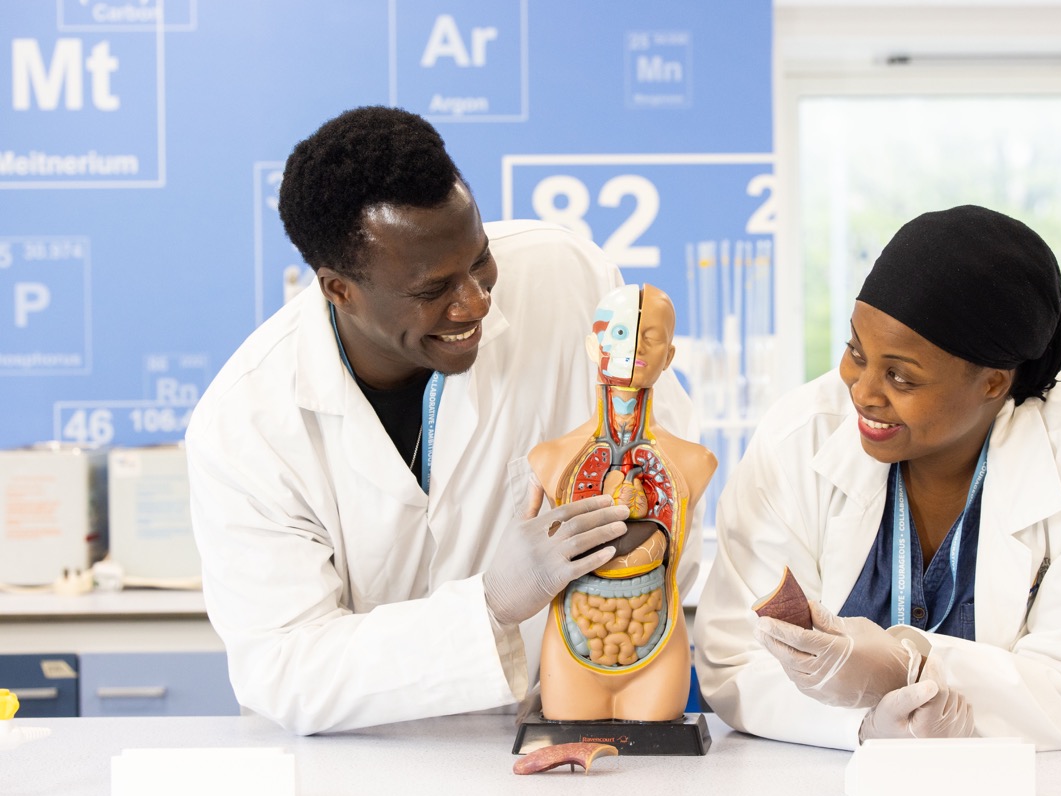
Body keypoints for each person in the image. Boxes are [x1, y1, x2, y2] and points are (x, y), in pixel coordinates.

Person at [185, 106, 698, 735]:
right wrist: (492, 604)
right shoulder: (249, 422)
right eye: (433, 292)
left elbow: (671, 468)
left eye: (479, 261)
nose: (477, 302)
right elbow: (287, 667)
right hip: (362, 759)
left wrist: (607, 636)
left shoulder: (568, 279)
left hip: (559, 723)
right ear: (338, 288)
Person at [692, 204, 1061, 751]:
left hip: (1042, 787)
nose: (863, 391)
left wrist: (908, 667)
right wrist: (865, 726)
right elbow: (739, 659)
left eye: (900, 375)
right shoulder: (800, 436)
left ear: (992, 383)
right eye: (856, 351)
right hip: (824, 780)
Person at [528, 283, 717, 721]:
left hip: (656, 641)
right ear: (594, 347)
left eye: (650, 336)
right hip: (571, 645)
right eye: (619, 334)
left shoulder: (695, 461)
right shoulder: (551, 458)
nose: (633, 348)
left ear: (669, 357)